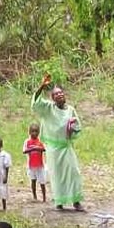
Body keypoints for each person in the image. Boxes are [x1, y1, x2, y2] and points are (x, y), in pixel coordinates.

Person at [31, 76, 85, 211]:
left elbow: (77, 125)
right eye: (56, 94)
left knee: (74, 173)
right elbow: (35, 103)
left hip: (66, 147)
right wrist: (41, 87)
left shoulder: (70, 110)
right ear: (52, 98)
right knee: (57, 175)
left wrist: (73, 129)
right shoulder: (48, 109)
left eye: (61, 93)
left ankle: (76, 201)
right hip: (53, 148)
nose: (59, 95)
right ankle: (59, 202)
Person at [23, 124, 48, 203]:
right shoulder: (27, 141)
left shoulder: (40, 141)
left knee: (42, 182)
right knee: (33, 181)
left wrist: (37, 148)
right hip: (31, 165)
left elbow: (44, 149)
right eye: (32, 131)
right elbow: (24, 151)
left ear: (39, 132)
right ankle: (34, 196)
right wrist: (32, 148)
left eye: (36, 131)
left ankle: (44, 197)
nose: (34, 133)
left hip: (40, 166)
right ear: (29, 132)